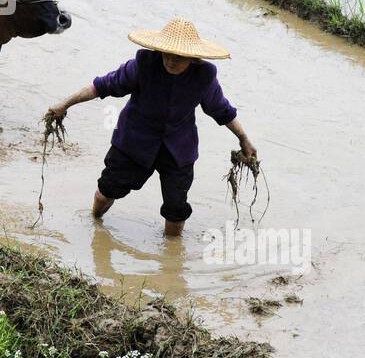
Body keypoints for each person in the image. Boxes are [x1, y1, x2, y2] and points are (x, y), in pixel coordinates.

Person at [45, 17, 256, 237]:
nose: (170, 61)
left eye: (178, 57)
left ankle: (171, 259)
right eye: (166, 54)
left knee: (176, 210)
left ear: (193, 58)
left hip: (178, 149)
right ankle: (94, 225)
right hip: (134, 141)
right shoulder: (144, 64)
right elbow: (102, 86)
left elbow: (221, 110)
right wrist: (65, 104)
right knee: (106, 191)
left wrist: (243, 138)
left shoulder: (204, 76)